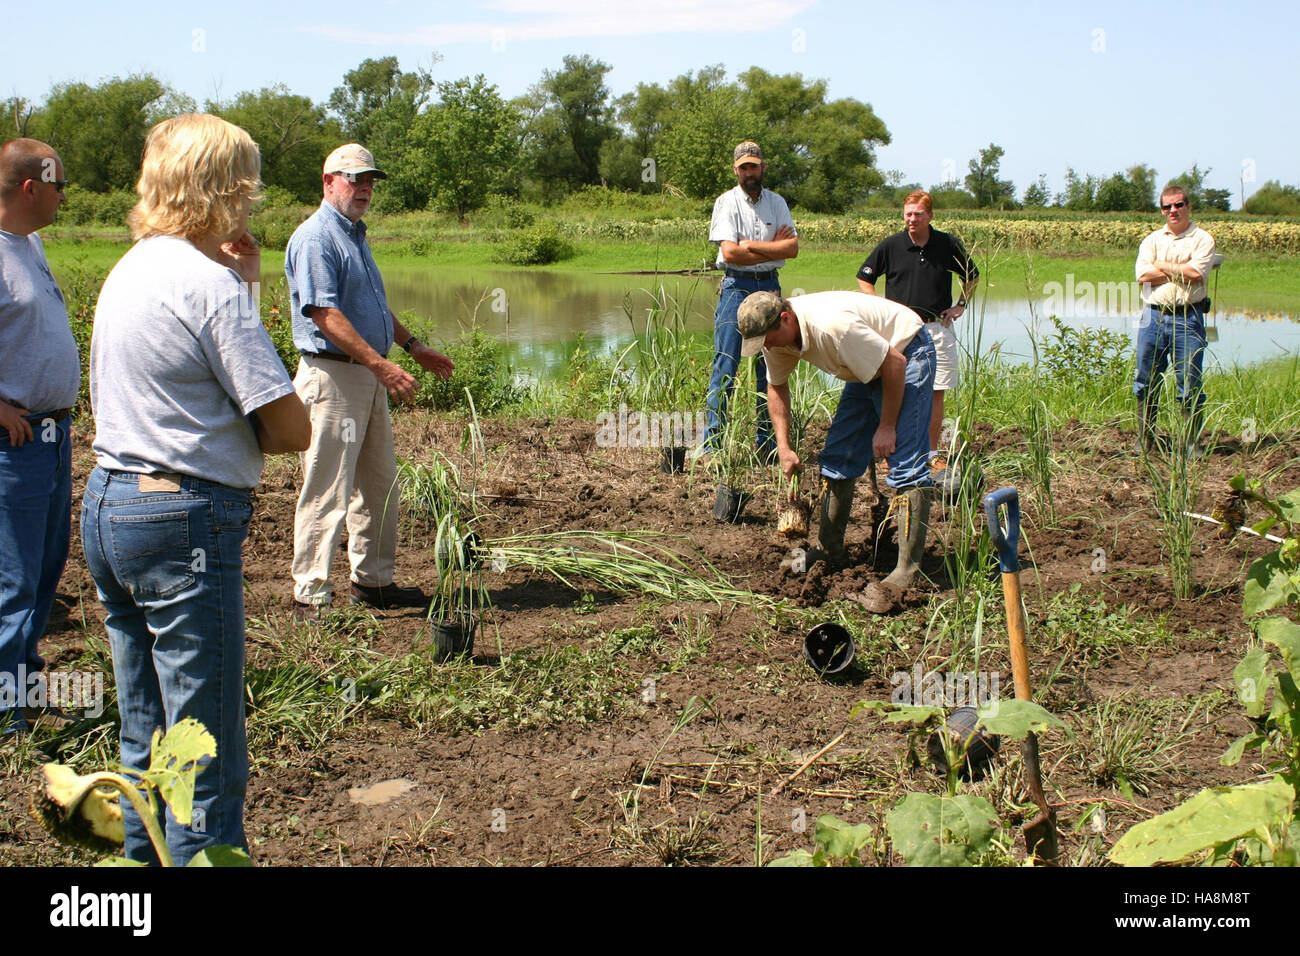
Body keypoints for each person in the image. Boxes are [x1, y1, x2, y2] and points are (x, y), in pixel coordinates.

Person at [82, 113, 310, 865]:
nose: (251, 203)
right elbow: (287, 427)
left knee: (145, 726)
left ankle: (137, 874)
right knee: (203, 744)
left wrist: (240, 284)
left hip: (112, 503)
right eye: (245, 186)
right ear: (223, 189)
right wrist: (240, 291)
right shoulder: (208, 286)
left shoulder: (133, 268)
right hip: (182, 520)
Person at [285, 144, 454, 618]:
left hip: (366, 376)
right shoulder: (317, 237)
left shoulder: (354, 236)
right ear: (328, 181)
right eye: (353, 179)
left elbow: (373, 308)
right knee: (326, 487)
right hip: (335, 378)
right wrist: (378, 365)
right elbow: (324, 314)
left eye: (370, 181)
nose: (364, 189)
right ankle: (310, 594)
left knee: (379, 485)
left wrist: (413, 346)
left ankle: (373, 582)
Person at [739, 290, 936, 613]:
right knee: (838, 456)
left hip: (906, 353)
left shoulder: (833, 327)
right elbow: (777, 386)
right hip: (865, 365)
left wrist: (886, 426)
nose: (767, 347)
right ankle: (829, 548)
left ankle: (907, 571)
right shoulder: (777, 339)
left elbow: (894, 363)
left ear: (785, 319)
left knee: (906, 465)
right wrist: (784, 448)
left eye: (768, 338)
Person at [0, 138, 78, 735]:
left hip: (54, 438)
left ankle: (21, 685)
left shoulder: (32, 244)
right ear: (31, 187)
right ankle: (7, 719)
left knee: (46, 570)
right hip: (15, 447)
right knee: (14, 580)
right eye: (58, 186)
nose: (63, 196)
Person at [857, 190, 977, 483]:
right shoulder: (891, 246)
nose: (912, 219)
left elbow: (971, 274)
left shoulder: (946, 244)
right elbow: (865, 277)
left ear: (930, 216)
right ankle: (891, 455)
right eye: (908, 214)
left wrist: (961, 305)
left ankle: (931, 454)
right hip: (898, 331)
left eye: (918, 214)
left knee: (936, 392)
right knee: (894, 388)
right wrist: (878, 308)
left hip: (936, 327)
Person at [700, 141, 798, 459]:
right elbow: (729, 252)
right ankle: (713, 446)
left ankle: (767, 446)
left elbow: (792, 249)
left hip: (769, 288)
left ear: (762, 167)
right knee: (725, 366)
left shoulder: (777, 203)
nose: (749, 172)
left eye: (754, 166)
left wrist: (751, 246)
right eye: (744, 167)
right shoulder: (726, 202)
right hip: (736, 287)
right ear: (736, 170)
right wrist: (771, 246)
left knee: (768, 367)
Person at [1134, 185, 1217, 458]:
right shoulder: (1151, 240)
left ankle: (1191, 444)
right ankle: (1145, 440)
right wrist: (1180, 270)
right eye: (1167, 206)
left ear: (1188, 206)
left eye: (1179, 205)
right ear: (1161, 210)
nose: (1173, 211)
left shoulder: (1203, 239)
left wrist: (1164, 267)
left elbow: (1195, 273)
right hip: (1153, 317)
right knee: (1145, 381)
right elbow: (1143, 276)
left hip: (1188, 316)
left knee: (1190, 383)